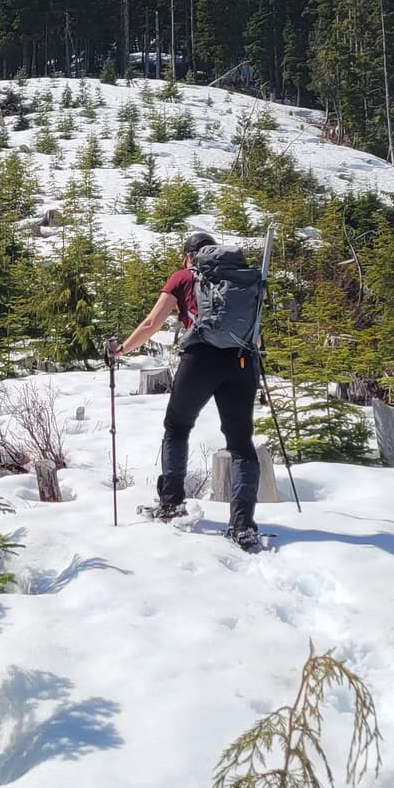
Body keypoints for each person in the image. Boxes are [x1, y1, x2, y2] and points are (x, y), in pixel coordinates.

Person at [104, 231, 262, 550]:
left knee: (177, 426)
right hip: (243, 361)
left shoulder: (183, 277)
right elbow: (256, 335)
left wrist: (122, 349)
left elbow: (152, 324)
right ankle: (243, 524)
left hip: (200, 360)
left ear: (189, 255)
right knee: (241, 444)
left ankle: (172, 502)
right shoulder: (243, 279)